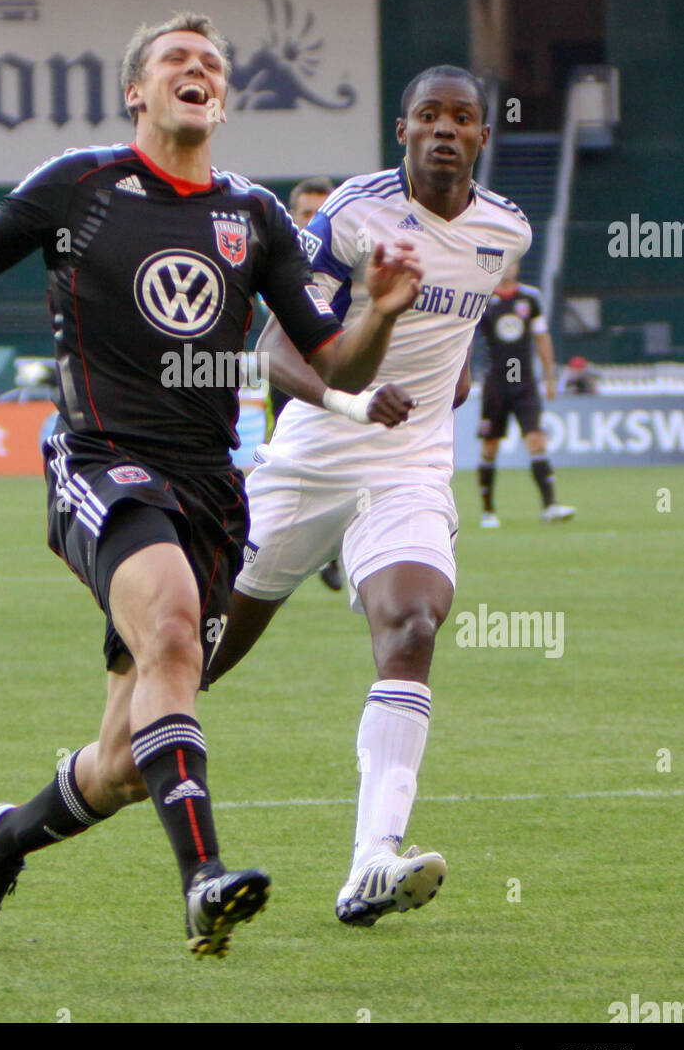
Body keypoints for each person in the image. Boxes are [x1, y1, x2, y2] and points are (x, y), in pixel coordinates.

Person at [0, 11, 423, 958]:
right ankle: (203, 878)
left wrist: (377, 311)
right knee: (167, 629)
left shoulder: (254, 215)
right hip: (101, 460)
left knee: (123, 763)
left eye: (211, 61)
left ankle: (1, 839)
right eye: (176, 60)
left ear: (224, 96)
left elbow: (338, 364)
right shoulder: (79, 186)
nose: (197, 69)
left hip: (210, 494)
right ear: (138, 90)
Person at [206, 65, 533, 930]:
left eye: (461, 118)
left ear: (481, 137)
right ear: (401, 130)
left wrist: (449, 378)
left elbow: (454, 337)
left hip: (407, 468)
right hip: (309, 459)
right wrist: (350, 397)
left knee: (414, 625)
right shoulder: (352, 211)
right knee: (190, 664)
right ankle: (38, 813)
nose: (443, 131)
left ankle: (371, 862)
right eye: (427, 115)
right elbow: (274, 350)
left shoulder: (506, 231)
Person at [271, 176, 344, 592]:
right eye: (306, 213)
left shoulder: (344, 256)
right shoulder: (277, 257)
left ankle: (331, 549)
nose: (313, 220)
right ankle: (279, 549)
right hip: (287, 376)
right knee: (285, 460)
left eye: (322, 212)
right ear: (292, 214)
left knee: (341, 461)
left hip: (338, 374)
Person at [476, 262, 575, 527]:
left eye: (515, 262)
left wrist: (550, 377)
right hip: (496, 384)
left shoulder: (530, 298)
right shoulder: (483, 297)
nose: (509, 267)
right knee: (490, 446)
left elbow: (542, 337)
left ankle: (550, 506)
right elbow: (467, 338)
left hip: (525, 383)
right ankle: (488, 511)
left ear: (519, 266)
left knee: (536, 441)